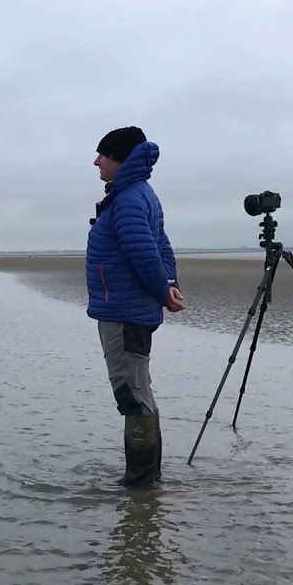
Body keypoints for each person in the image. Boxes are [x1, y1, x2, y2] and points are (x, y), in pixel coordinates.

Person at [85, 126, 184, 489]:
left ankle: (140, 484)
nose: (97, 161)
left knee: (132, 394)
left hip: (124, 313)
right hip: (130, 311)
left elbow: (144, 252)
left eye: (103, 154)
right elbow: (162, 246)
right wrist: (168, 284)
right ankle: (148, 478)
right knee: (140, 390)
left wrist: (164, 290)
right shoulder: (139, 194)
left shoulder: (128, 198)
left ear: (119, 158)